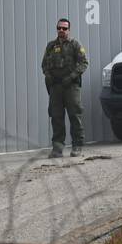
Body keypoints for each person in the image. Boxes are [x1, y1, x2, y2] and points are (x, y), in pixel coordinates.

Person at [41, 17, 88, 157]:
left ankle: (77, 145)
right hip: (56, 87)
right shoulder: (51, 46)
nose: (61, 30)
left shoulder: (75, 44)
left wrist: (72, 76)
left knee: (75, 116)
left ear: (69, 30)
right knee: (56, 117)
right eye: (59, 28)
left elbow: (84, 63)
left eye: (64, 28)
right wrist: (48, 75)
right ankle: (57, 148)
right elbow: (44, 64)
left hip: (71, 86)